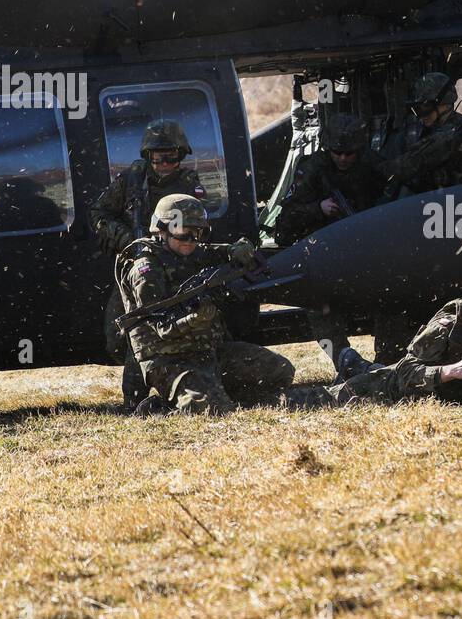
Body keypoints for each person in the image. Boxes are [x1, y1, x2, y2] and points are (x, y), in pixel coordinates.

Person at [115, 194, 294, 415]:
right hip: (169, 360)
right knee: (209, 409)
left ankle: (220, 393)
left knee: (280, 371)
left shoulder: (186, 251)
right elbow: (161, 327)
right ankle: (160, 409)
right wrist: (196, 317)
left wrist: (234, 250)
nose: (190, 240)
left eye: (198, 233)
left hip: (208, 350)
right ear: (161, 231)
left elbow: (212, 252)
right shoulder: (146, 270)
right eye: (183, 232)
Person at [319, 267, 462, 405]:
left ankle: (354, 363)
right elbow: (405, 371)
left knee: (370, 369)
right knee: (322, 400)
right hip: (394, 390)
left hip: (455, 398)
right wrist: (451, 371)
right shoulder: (451, 326)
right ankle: (352, 364)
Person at [93, 120, 207, 365]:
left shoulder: (189, 184)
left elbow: (201, 226)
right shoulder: (132, 179)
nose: (165, 165)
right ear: (148, 157)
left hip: (178, 269)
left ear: (181, 155)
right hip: (138, 265)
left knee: (178, 326)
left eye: (171, 158)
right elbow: (99, 213)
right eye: (158, 159)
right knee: (117, 336)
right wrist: (129, 239)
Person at [272, 113, 385, 245]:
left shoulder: (370, 163)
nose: (343, 158)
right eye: (337, 152)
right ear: (328, 148)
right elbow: (284, 226)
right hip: (322, 244)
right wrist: (319, 208)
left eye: (349, 153)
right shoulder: (312, 169)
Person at [380, 72, 462, 197]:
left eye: (425, 107)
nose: (421, 115)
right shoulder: (434, 129)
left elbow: (410, 164)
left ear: (445, 104)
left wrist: (375, 166)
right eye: (417, 109)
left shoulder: (452, 133)